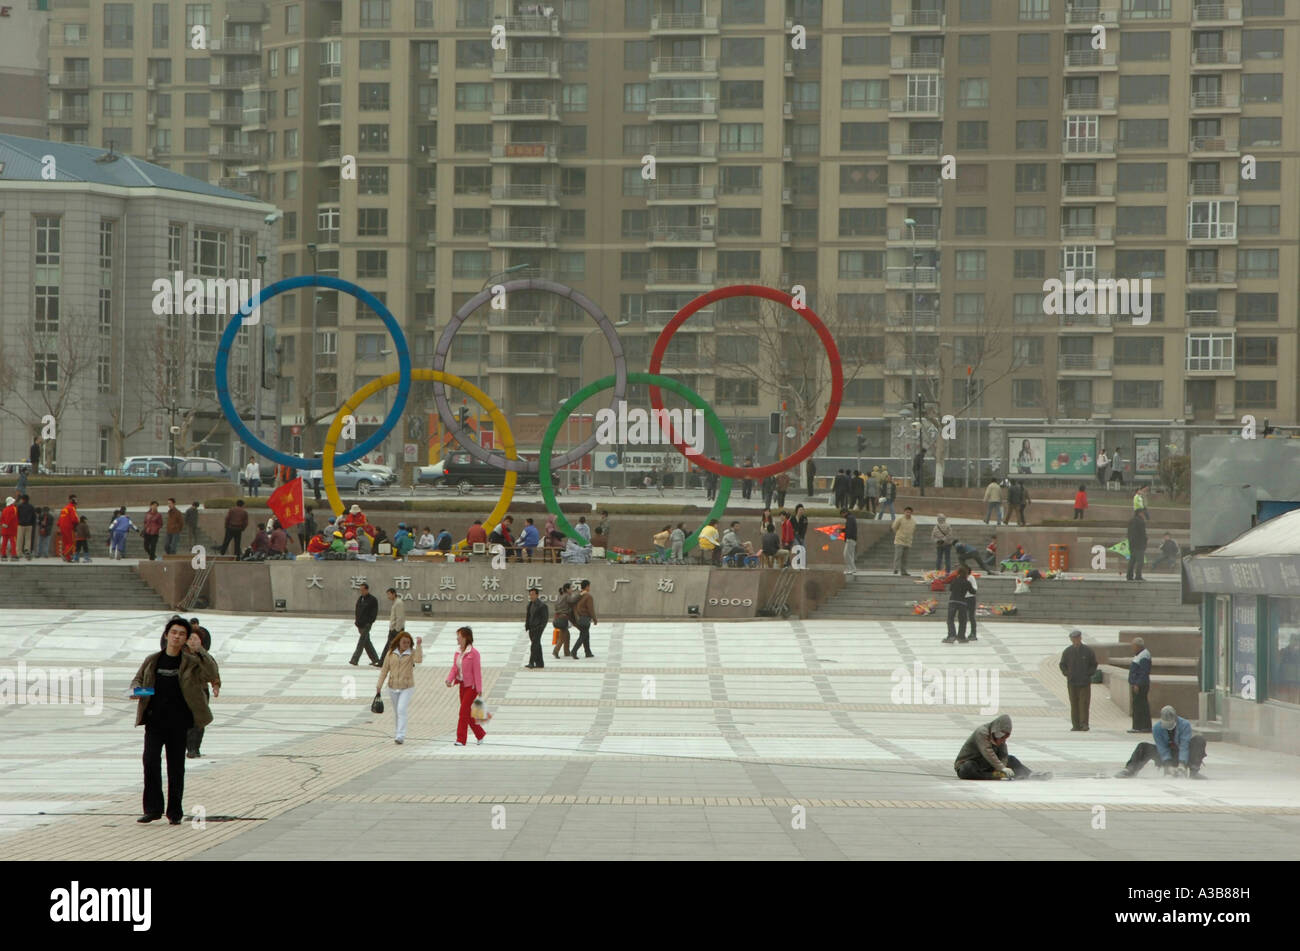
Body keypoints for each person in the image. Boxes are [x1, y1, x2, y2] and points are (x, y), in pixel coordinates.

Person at [131, 617, 218, 823]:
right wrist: (136, 689)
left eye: (182, 634)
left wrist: (201, 651)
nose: (177, 637)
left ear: (186, 639)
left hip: (179, 723)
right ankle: (153, 809)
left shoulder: (192, 662)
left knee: (176, 767)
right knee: (150, 762)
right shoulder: (153, 660)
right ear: (166, 635)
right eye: (174, 633)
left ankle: (174, 812)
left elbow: (211, 674)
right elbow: (138, 679)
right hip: (154, 722)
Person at [1115, 705, 1208, 779]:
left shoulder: (1185, 725)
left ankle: (1194, 772)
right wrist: (1168, 765)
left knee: (1199, 740)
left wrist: (1182, 764)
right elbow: (1162, 748)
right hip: (1167, 754)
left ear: (1175, 719)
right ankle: (1130, 770)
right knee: (1143, 746)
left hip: (1182, 753)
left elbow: (1184, 745)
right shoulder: (1157, 728)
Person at [954, 714, 1045, 780]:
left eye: (1004, 737)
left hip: (987, 765)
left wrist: (1004, 765)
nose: (1002, 739)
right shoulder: (982, 732)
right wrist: (1002, 768)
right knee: (969, 768)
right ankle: (996, 775)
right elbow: (987, 752)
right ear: (996, 729)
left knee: (1011, 759)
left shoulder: (1001, 738)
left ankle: (1031, 774)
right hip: (971, 764)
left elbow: (1003, 754)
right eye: (1002, 735)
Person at [180, 619, 219, 759]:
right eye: (190, 638)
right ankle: (190, 748)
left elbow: (213, 670)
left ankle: (196, 748)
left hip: (201, 692)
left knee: (200, 721)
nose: (192, 641)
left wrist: (216, 685)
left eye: (195, 639)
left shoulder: (205, 656)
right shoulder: (180, 655)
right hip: (185, 692)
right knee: (189, 720)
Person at [377, 630, 422, 744]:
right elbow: (384, 670)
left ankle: (401, 735)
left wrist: (419, 645)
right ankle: (398, 733)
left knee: (401, 709)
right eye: (404, 642)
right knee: (397, 711)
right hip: (392, 686)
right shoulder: (391, 653)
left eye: (408, 643)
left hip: (407, 687)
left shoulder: (411, 652)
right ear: (398, 642)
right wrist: (379, 685)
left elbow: (419, 659)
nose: (406, 645)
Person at [446, 626, 487, 746]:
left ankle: (461, 739)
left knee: (463, 712)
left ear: (465, 638)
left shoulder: (474, 653)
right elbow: (455, 668)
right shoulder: (458, 652)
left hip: (472, 687)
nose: (457, 639)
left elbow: (477, 672)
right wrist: (449, 680)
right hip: (462, 685)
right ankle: (480, 734)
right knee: (467, 713)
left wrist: (479, 689)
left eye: (459, 636)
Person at [1059, 629, 1098, 731]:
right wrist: (1067, 674)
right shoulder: (1068, 651)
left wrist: (1088, 674)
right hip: (1072, 682)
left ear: (1080, 638)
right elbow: (1062, 664)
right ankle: (1075, 725)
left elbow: (1094, 664)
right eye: (1073, 639)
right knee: (1074, 703)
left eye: (1076, 638)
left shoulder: (1088, 651)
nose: (1075, 640)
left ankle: (1084, 724)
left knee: (1084, 704)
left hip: (1084, 682)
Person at [349, 582, 381, 667]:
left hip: (367, 625)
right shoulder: (360, 599)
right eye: (360, 590)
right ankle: (375, 659)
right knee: (366, 642)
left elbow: (374, 613)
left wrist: (369, 622)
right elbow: (357, 611)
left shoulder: (372, 600)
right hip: (360, 624)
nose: (361, 592)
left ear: (367, 589)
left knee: (361, 642)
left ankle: (354, 659)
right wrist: (357, 622)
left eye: (363, 590)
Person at [942, 565, 975, 643]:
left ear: (959, 573)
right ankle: (961, 637)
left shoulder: (955, 580)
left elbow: (951, 589)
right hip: (962, 602)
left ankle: (951, 636)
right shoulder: (967, 582)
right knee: (963, 620)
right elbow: (973, 592)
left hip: (953, 601)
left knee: (950, 619)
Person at [1127, 637, 1152, 733]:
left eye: (1133, 646)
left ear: (1138, 646)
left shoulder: (1144, 655)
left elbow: (1144, 672)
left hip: (1141, 685)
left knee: (1140, 706)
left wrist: (1137, 684)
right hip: (1137, 684)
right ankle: (1140, 726)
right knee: (1137, 705)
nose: (1132, 648)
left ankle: (1140, 727)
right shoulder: (1139, 654)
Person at [571, 579, 597, 659]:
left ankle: (588, 652)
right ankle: (574, 651)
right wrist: (594, 619)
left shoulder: (579, 595)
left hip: (578, 618)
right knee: (583, 635)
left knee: (586, 635)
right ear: (587, 586)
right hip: (585, 618)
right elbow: (590, 609)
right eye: (589, 586)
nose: (589, 588)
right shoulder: (588, 596)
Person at [524, 586, 549, 669]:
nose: (531, 596)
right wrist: (527, 626)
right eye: (530, 595)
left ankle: (531, 662)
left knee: (534, 645)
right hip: (531, 628)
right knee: (537, 645)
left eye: (533, 594)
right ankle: (540, 663)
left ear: (537, 595)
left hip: (538, 628)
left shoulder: (542, 606)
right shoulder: (530, 605)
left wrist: (541, 627)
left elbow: (545, 619)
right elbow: (528, 616)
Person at [379, 587, 407, 662]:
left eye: (389, 594)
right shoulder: (395, 602)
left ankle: (382, 662)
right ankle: (382, 661)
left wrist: (396, 629)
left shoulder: (398, 603)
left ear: (394, 594)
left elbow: (400, 617)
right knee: (397, 646)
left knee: (390, 646)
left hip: (396, 630)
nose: (388, 596)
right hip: (394, 629)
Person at [891, 506, 917, 576]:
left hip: (908, 541)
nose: (908, 513)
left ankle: (904, 571)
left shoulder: (913, 521)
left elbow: (913, 530)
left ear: (911, 513)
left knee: (905, 558)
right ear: (904, 512)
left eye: (909, 512)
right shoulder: (900, 519)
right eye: (906, 512)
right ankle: (895, 569)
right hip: (899, 540)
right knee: (898, 556)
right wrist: (898, 534)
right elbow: (894, 527)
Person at [552, 582, 575, 658]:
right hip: (563, 619)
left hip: (558, 618)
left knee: (567, 635)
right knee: (562, 637)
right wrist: (580, 595)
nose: (572, 590)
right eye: (571, 588)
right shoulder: (567, 596)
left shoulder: (560, 596)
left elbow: (556, 607)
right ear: (567, 589)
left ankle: (567, 651)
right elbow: (573, 601)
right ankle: (556, 651)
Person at [1126, 511, 1147, 582]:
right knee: (1140, 561)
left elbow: (1129, 533)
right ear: (1140, 513)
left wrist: (1130, 542)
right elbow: (1142, 534)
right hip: (1139, 545)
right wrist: (1145, 542)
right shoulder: (1141, 522)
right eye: (1143, 513)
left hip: (1132, 544)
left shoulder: (1131, 521)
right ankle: (1138, 576)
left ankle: (1129, 575)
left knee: (1132, 560)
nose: (1143, 514)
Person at [58, 494, 79, 562]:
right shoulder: (72, 508)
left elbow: (59, 521)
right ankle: (64, 553)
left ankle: (68, 558)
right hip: (69, 527)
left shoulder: (64, 508)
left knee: (66, 543)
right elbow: (75, 519)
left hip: (62, 527)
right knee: (72, 543)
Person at [15, 494, 35, 560]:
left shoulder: (19, 506)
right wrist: (32, 524)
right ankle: (27, 551)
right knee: (28, 539)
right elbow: (33, 517)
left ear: (23, 499)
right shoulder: (31, 507)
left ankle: (18, 552)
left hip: (21, 525)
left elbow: (17, 515)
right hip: (29, 525)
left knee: (19, 539)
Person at [841, 508, 857, 576]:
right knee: (850, 555)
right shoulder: (851, 518)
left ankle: (851, 569)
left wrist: (847, 537)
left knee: (846, 554)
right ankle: (851, 569)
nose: (842, 516)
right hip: (853, 539)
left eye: (842, 514)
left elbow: (849, 529)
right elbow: (848, 528)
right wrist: (842, 530)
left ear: (845, 513)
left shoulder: (850, 518)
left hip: (850, 539)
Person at [0, 496, 17, 561]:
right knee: (13, 542)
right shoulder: (14, 508)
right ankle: (13, 555)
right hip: (12, 529)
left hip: (5, 529)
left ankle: (3, 555)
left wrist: (4, 524)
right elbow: (10, 518)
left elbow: (1, 520)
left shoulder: (4, 509)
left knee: (4, 543)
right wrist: (7, 524)